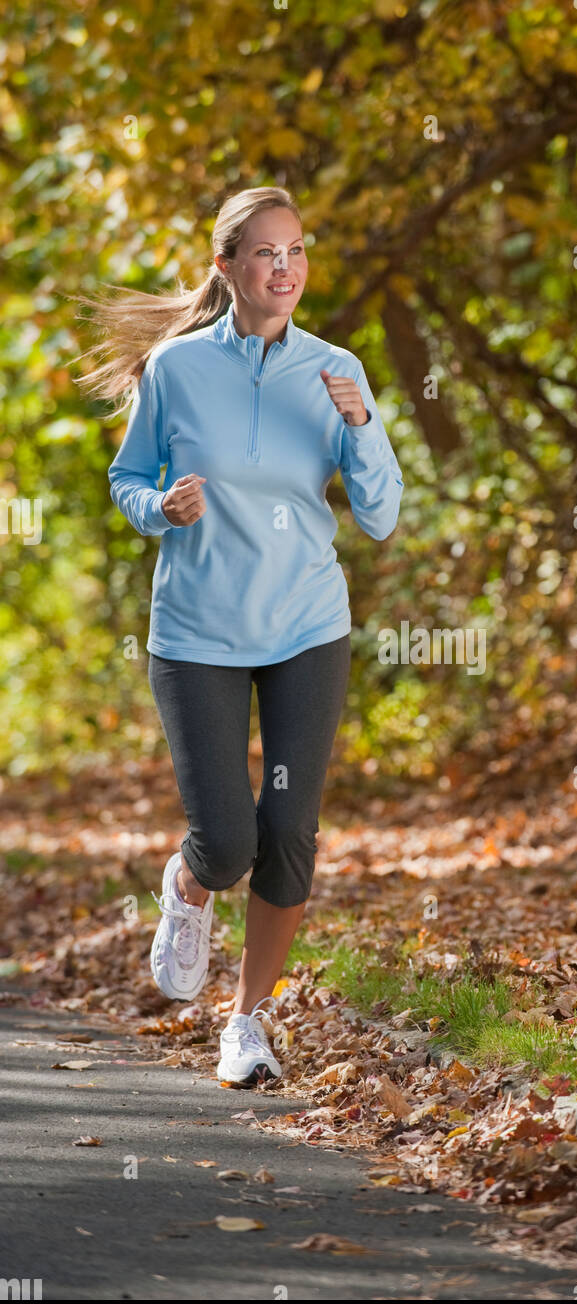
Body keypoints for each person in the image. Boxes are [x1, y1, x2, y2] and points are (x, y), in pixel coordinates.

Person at [76, 186, 403, 1085]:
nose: (286, 268)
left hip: (305, 627)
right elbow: (128, 475)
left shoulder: (337, 368)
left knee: (289, 827)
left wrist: (361, 426)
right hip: (196, 632)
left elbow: (381, 515)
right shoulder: (178, 369)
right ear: (227, 268)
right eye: (266, 253)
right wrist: (159, 506)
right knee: (226, 839)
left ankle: (247, 1024)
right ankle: (188, 889)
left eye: (296, 250)